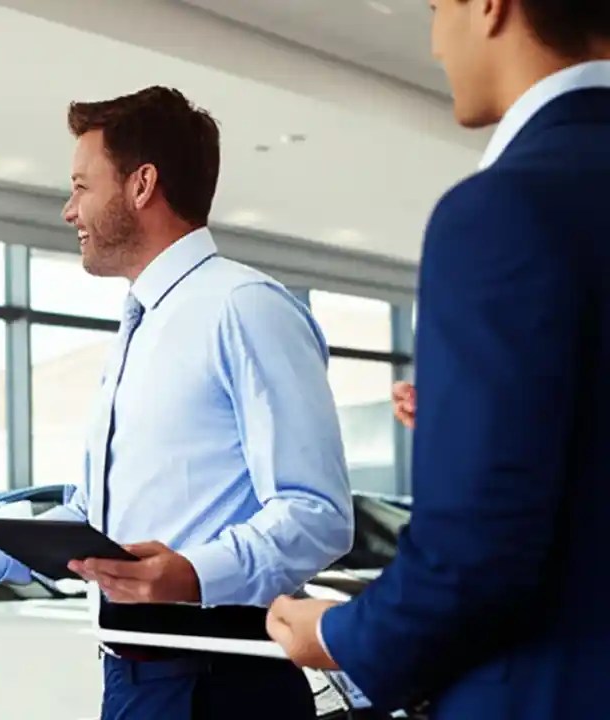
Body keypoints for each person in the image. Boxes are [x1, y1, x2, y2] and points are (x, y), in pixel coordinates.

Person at [0, 86, 354, 719]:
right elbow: (94, 517)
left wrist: (193, 573)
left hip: (221, 683)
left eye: (81, 186)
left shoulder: (245, 308)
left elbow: (317, 512)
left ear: (142, 185)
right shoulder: (145, 324)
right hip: (137, 679)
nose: (67, 210)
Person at [266, 1, 610, 717]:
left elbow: (477, 560)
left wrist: (335, 633)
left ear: (489, 5)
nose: (433, 39)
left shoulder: (503, 210)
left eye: (434, 7)